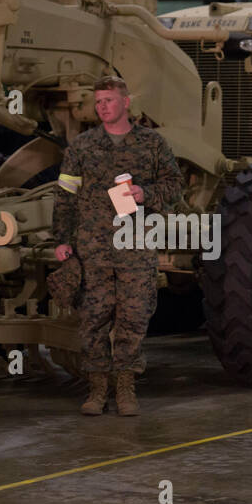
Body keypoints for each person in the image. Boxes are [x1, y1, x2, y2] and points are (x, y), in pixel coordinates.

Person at [54, 76, 184, 416]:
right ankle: (97, 390)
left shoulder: (152, 144)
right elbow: (65, 198)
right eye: (98, 101)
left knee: (133, 317)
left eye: (109, 100)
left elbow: (174, 186)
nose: (102, 106)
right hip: (92, 249)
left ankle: (125, 389)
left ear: (126, 103)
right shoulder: (81, 147)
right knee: (94, 318)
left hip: (135, 247)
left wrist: (145, 194)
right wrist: (62, 241)